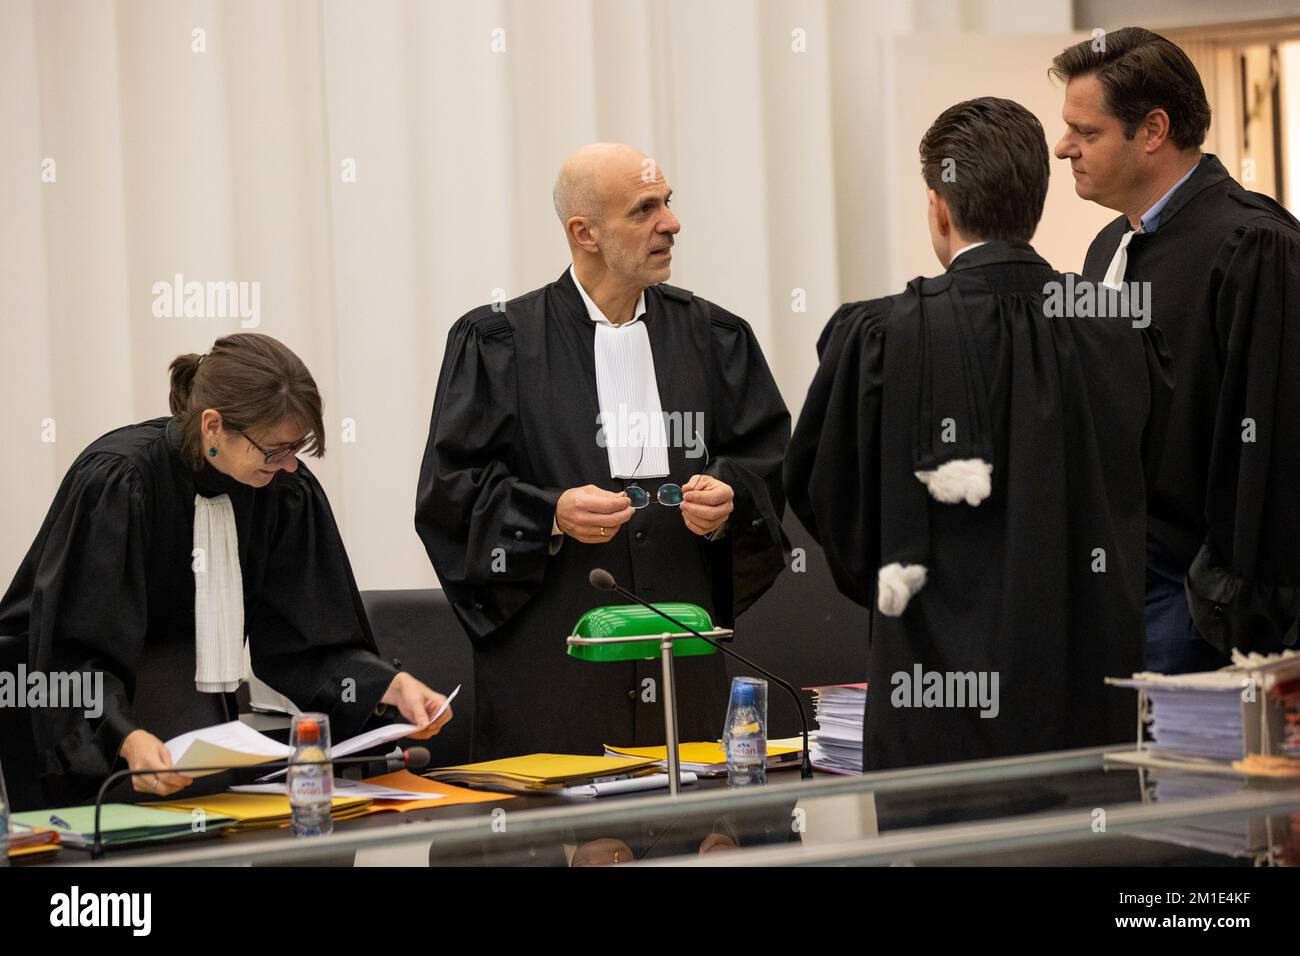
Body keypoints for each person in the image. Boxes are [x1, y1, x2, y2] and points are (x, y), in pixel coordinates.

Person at [784, 98, 1173, 771]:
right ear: (1036, 202)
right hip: (1089, 703)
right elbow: (1164, 494)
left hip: (931, 704)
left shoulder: (880, 337)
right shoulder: (1117, 330)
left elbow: (825, 496)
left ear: (939, 206)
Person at [416, 143, 789, 761]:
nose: (671, 222)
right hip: (555, 676)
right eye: (645, 209)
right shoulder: (497, 343)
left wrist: (732, 496)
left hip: (682, 665)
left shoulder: (718, 337)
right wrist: (549, 513)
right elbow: (449, 495)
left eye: (668, 202)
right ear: (583, 232)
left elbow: (768, 462)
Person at [0, 333, 452, 810]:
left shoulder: (281, 490)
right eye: (274, 449)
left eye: (297, 447)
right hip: (67, 723)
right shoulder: (120, 482)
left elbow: (307, 641)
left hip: (180, 721)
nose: (290, 464)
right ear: (213, 426)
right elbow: (72, 650)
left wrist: (387, 686)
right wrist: (123, 738)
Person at [1052, 27, 1300, 671]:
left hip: (1198, 603)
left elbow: (1272, 451)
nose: (1063, 148)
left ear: (1153, 129)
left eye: (1088, 131)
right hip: (1110, 582)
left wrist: (1228, 600)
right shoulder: (1106, 247)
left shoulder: (1253, 246)